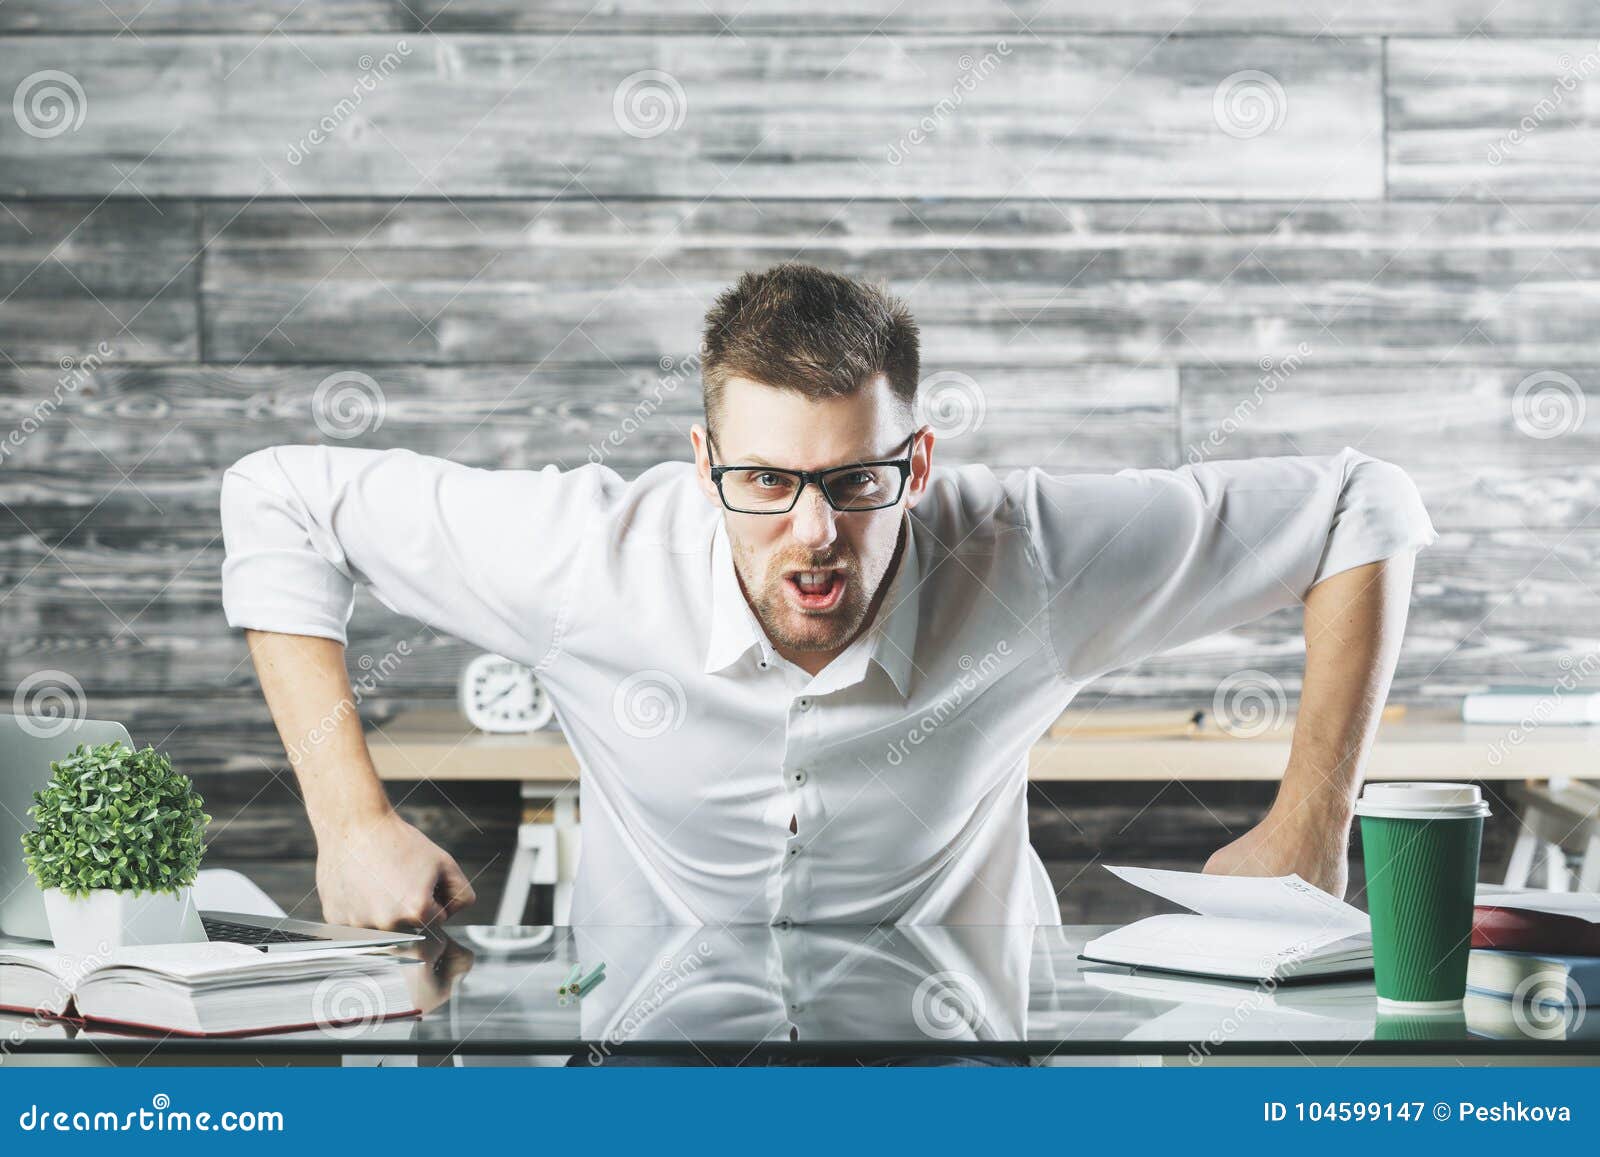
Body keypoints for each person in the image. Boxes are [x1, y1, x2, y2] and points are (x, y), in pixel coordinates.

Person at [219, 261, 1437, 932]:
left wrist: (1312, 823)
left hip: (962, 1074)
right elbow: (276, 496)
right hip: (653, 1070)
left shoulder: (1029, 552)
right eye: (761, 479)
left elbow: (1357, 505)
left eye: (854, 481)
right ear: (701, 468)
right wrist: (348, 820)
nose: (813, 534)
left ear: (915, 463)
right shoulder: (581, 553)